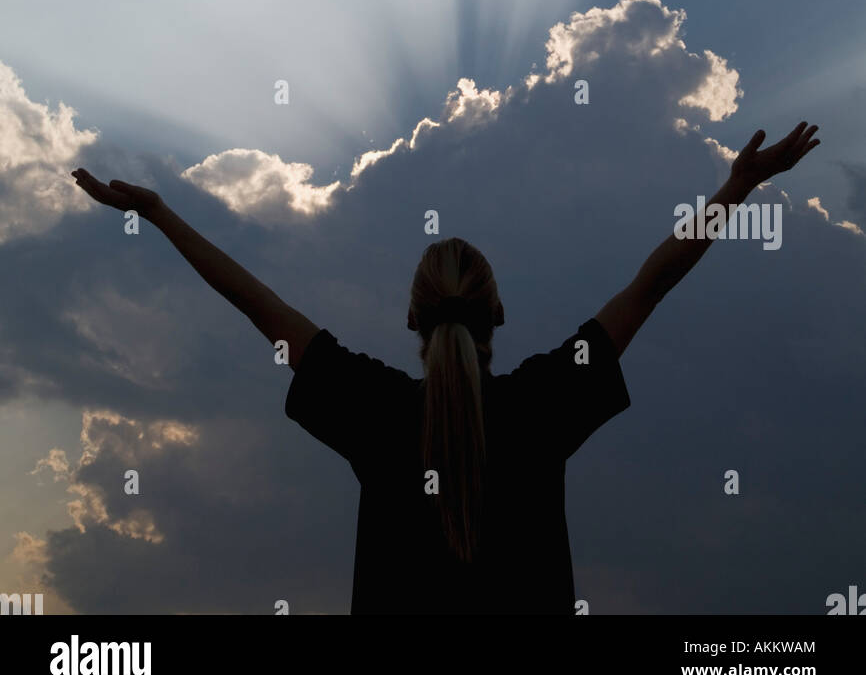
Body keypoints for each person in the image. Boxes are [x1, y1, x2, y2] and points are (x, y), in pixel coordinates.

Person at [72, 120, 819, 615]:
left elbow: (255, 302)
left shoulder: (374, 409)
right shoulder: (543, 403)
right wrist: (737, 188)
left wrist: (162, 213)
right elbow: (651, 283)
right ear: (497, 314)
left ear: (411, 320)